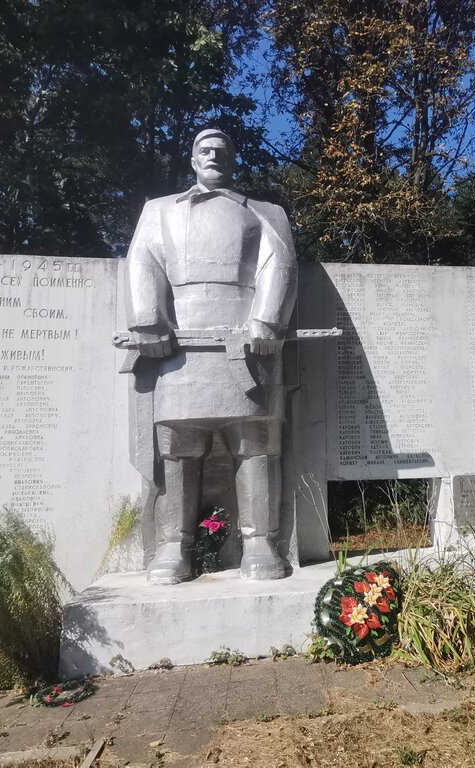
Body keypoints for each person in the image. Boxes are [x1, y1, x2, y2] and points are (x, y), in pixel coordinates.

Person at [125, 128, 297, 584]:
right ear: (193, 159)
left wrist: (267, 322)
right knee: (178, 445)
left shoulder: (265, 212)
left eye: (222, 150)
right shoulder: (159, 210)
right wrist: (149, 322)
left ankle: (260, 542)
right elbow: (142, 262)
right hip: (179, 347)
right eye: (205, 149)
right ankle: (174, 546)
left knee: (256, 443)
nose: (214, 155)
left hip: (248, 345)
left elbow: (279, 264)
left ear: (233, 160)